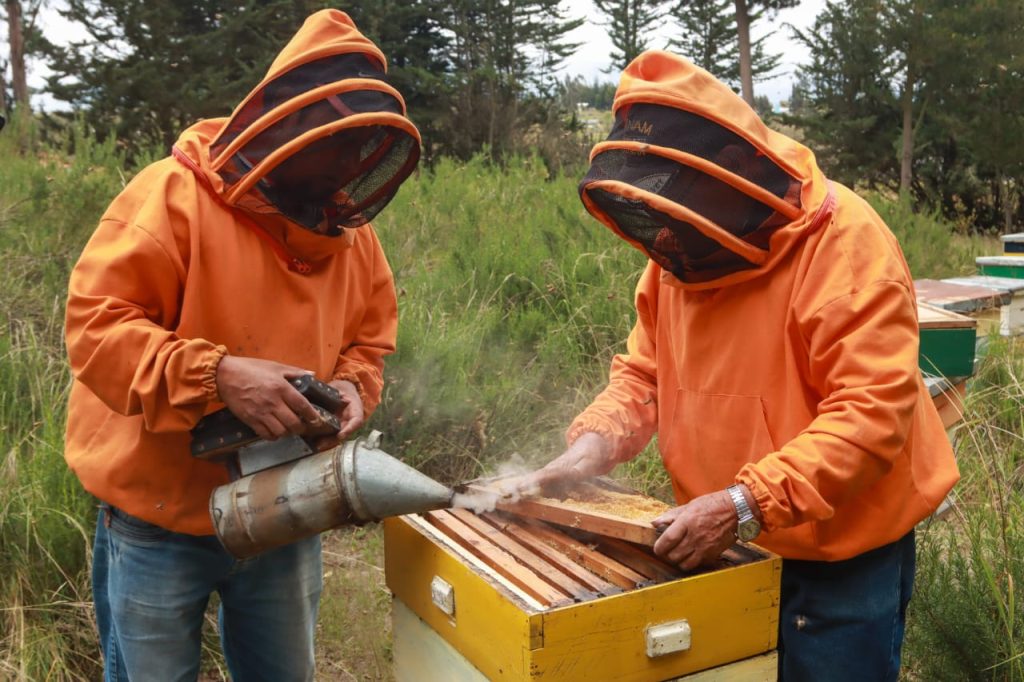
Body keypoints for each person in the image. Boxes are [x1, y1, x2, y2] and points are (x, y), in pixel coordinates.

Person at [514, 51, 959, 682]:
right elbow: (645, 375)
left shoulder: (847, 251)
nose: (663, 240)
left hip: (839, 560)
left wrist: (744, 501)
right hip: (723, 539)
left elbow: (870, 417)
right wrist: (590, 448)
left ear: (732, 175)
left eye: (676, 206)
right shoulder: (685, 247)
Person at [63, 10, 419, 681]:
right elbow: (96, 327)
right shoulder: (172, 199)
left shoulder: (351, 233)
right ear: (289, 128)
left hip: (286, 508)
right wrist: (219, 377)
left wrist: (351, 387)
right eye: (336, 143)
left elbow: (369, 343)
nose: (346, 164)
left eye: (359, 147)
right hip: (157, 514)